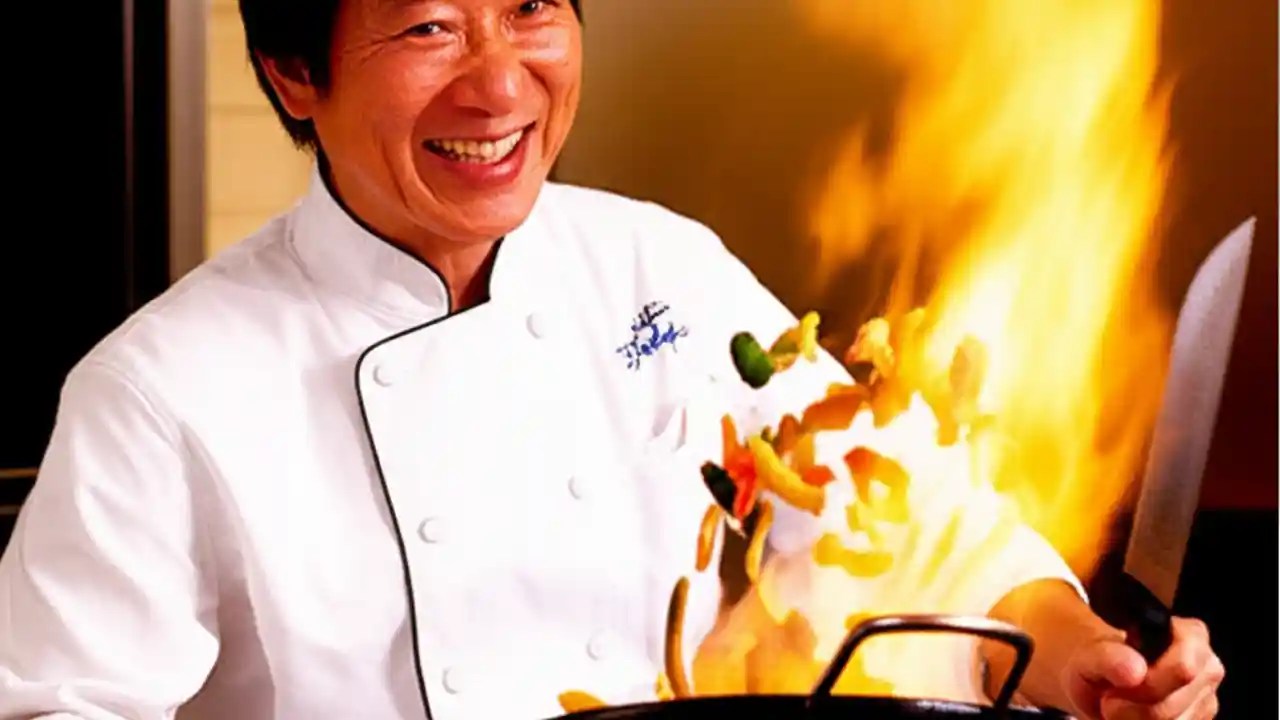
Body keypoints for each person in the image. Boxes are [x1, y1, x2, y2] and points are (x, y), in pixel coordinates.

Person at [0, 1, 1223, 719]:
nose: (498, 82)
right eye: (428, 26)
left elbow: (898, 514)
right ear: (291, 73)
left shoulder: (656, 265)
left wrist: (1074, 654)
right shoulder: (158, 393)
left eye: (530, 5)